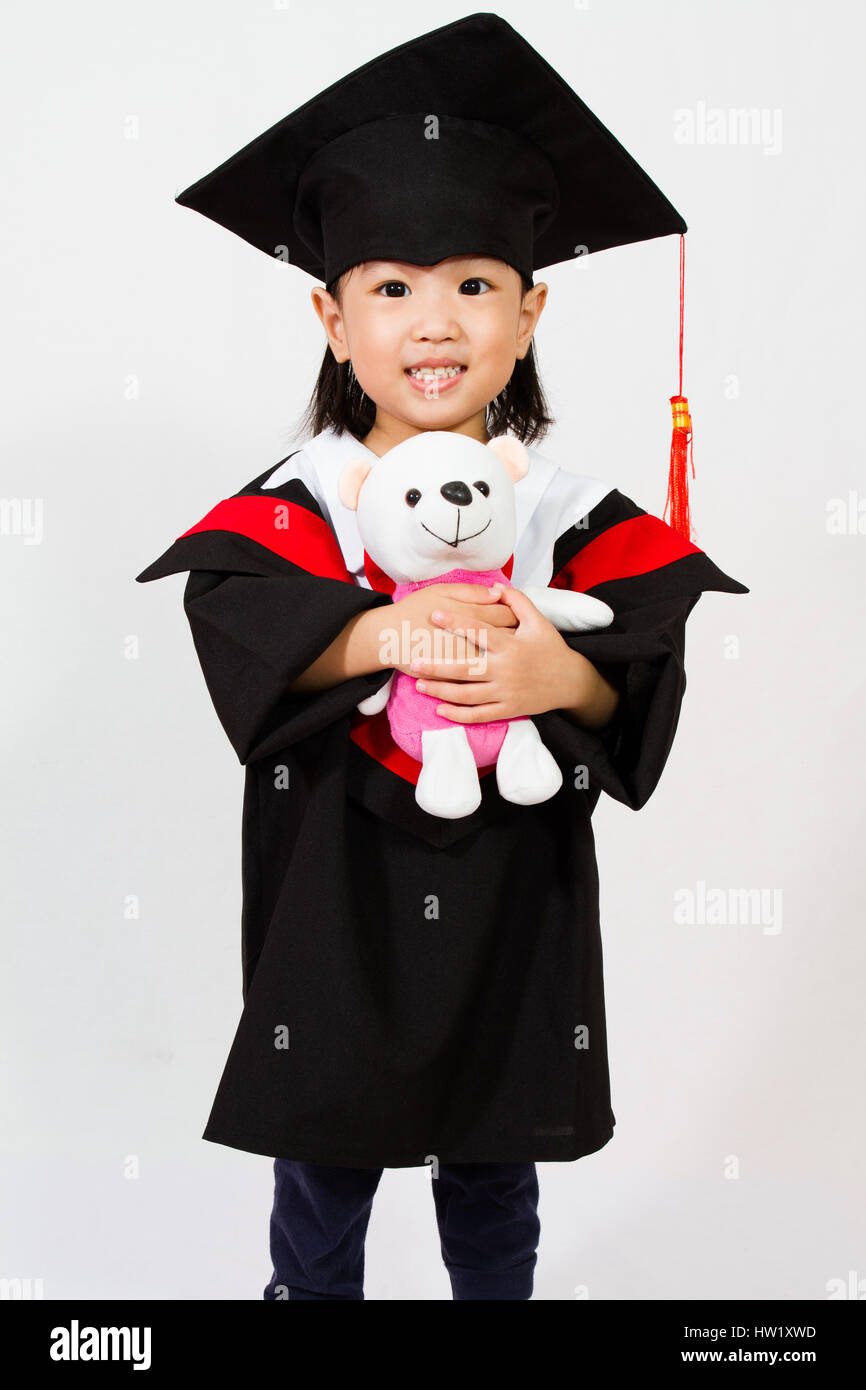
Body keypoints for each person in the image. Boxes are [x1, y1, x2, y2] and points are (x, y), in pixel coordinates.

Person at [136, 14, 749, 1300]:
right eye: (391, 287)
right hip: (331, 902)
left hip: (507, 900)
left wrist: (556, 678)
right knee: (323, 1173)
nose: (435, 321)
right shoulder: (298, 502)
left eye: (474, 285)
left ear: (527, 314)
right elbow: (239, 627)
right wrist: (383, 632)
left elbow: (635, 661)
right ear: (331, 316)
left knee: (492, 1165)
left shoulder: (563, 510)